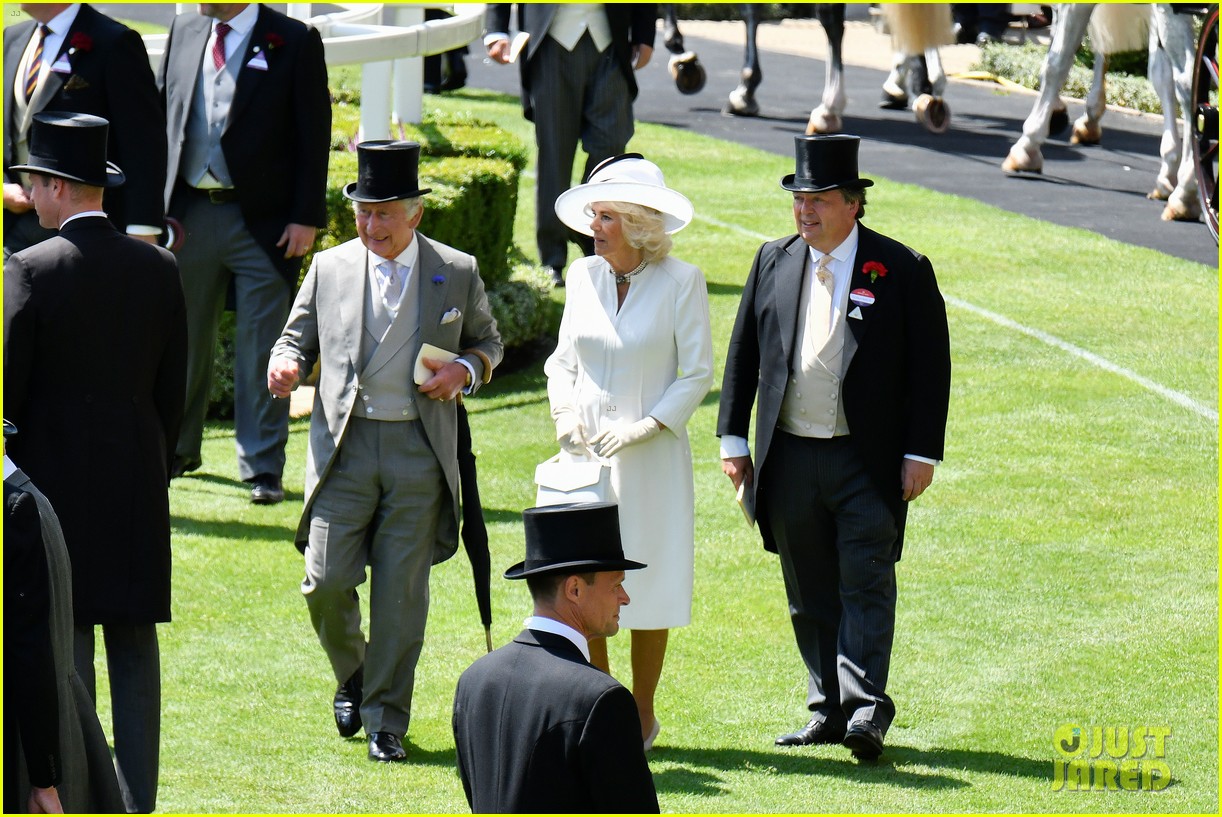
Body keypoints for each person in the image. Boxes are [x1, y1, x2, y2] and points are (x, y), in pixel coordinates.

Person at [267, 140, 503, 763]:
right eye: (363, 212)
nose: (372, 226)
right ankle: (355, 673)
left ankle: (386, 719)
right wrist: (286, 362)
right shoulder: (330, 268)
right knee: (324, 581)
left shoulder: (457, 270)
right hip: (343, 449)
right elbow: (294, 336)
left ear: (416, 213)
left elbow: (488, 343)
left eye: (385, 213)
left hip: (420, 453)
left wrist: (466, 371)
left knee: (402, 594)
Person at [717, 135, 951, 761]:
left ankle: (866, 713)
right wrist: (734, 438)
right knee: (807, 586)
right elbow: (743, 356)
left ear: (853, 205)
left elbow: (931, 369)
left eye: (818, 200)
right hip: (789, 456)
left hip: (865, 459)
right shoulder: (772, 260)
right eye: (799, 198)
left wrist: (921, 452)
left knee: (867, 579)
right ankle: (827, 708)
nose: (804, 211)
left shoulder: (901, 269)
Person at [3, 111, 187, 811]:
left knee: (65, 649)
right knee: (136, 655)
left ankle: (79, 796)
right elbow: (175, 395)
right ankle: (138, 801)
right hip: (138, 487)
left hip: (51, 494)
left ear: (54, 186)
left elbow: (8, 397)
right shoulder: (159, 268)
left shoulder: (29, 269)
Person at [545, 154, 712, 749]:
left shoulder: (681, 282)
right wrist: (565, 413)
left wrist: (647, 427)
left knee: (650, 580)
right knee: (584, 581)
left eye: (607, 215)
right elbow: (563, 361)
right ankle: (602, 701)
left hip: (652, 463)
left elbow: (696, 374)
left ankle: (641, 712)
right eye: (594, 212)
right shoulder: (582, 278)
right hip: (585, 462)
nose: (595, 225)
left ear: (639, 223)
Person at [158, 2, 331, 503]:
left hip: (265, 222)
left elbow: (313, 131)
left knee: (266, 347)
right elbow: (162, 118)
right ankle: (177, 449)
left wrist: (306, 216)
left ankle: (261, 467)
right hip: (186, 218)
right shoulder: (185, 29)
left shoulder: (294, 39)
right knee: (182, 340)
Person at [452, 502, 660, 813]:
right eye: (616, 584)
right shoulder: (601, 700)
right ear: (575, 589)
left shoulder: (474, 681)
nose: (625, 597)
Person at [483, 3, 657, 287]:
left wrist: (645, 33)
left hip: (611, 43)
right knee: (555, 154)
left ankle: (592, 235)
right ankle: (552, 258)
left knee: (612, 149)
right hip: (551, 44)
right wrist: (497, 30)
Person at [4, 420, 125, 815]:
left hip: (26, 749)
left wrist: (43, 777)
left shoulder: (20, 511)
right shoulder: (26, 506)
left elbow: (31, 652)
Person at [3, 3, 166, 258]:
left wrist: (142, 227)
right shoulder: (12, 38)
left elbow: (143, 142)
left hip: (87, 232)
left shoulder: (114, 41)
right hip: (14, 225)